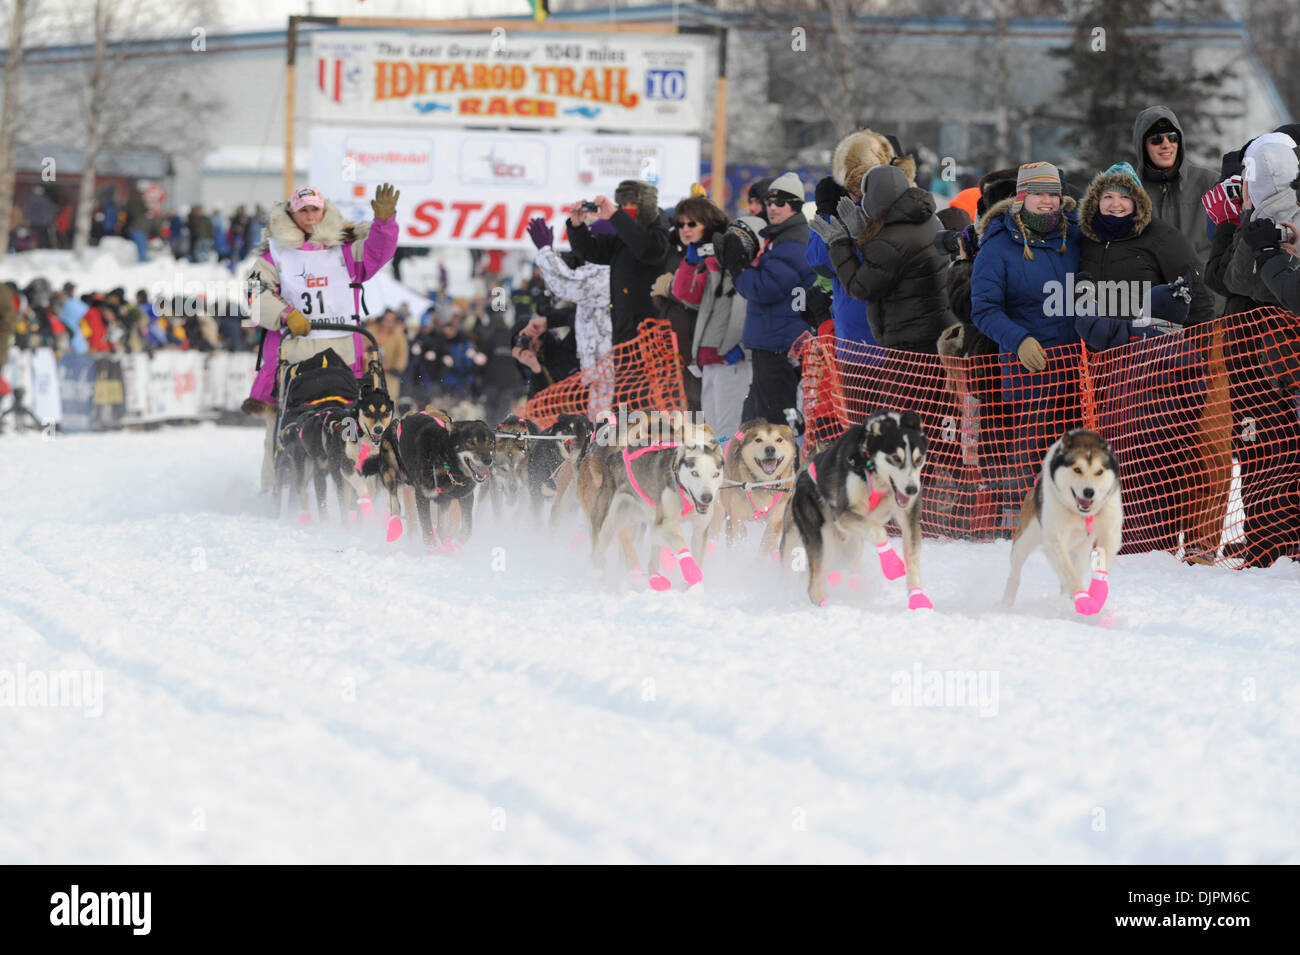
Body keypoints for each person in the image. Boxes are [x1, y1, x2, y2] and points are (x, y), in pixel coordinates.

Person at [242, 182, 400, 491]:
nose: (310, 215)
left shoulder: (345, 248)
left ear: (324, 211)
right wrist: (287, 315)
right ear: (291, 212)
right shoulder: (274, 254)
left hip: (344, 351)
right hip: (294, 350)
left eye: (315, 209)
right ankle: (276, 486)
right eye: (303, 210)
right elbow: (253, 295)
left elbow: (378, 254)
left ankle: (366, 482)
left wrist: (384, 222)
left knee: (358, 419)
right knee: (280, 424)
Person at [971, 161, 1083, 527]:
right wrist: (1019, 341)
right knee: (1033, 453)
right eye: (1039, 194)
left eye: (1053, 193)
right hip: (1030, 370)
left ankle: (1072, 527)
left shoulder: (1078, 236)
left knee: (1077, 458)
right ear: (1022, 197)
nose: (1048, 201)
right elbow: (984, 309)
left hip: (1080, 370)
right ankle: (1023, 524)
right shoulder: (998, 245)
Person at [725, 171, 817, 424]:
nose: (772, 208)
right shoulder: (780, 239)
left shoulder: (792, 243)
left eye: (781, 202)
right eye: (769, 202)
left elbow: (763, 288)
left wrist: (738, 267)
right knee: (759, 417)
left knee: (774, 421)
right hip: (775, 340)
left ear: (796, 206)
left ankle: (784, 464)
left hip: (780, 343)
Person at [566, 180, 671, 352]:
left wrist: (616, 217)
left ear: (647, 205)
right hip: (624, 335)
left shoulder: (661, 231)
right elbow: (590, 251)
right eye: (623, 204)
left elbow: (648, 250)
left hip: (653, 339)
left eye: (633, 204)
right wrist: (577, 226)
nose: (627, 208)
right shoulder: (622, 238)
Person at [526, 216, 613, 418]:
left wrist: (545, 250)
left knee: (607, 434)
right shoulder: (599, 270)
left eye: (589, 239)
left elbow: (567, 283)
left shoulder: (606, 272)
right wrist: (550, 320)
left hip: (610, 372)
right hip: (597, 370)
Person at [1131, 106, 1217, 267]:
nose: (1166, 144)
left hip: (1204, 287)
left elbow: (1230, 244)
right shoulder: (1129, 192)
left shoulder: (1210, 183)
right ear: (1143, 145)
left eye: (1172, 137)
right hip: (1151, 289)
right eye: (1156, 139)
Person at [510, 315, 579, 399]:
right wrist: (536, 370)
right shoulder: (526, 375)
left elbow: (584, 319)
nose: (528, 343)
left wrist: (549, 322)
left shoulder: (565, 350)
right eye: (521, 341)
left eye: (528, 337)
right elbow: (537, 408)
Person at [368, 309, 409, 401]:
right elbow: (363, 345)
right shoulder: (372, 330)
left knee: (389, 399)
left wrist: (397, 368)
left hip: (389, 373)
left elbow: (402, 353)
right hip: (371, 372)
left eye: (391, 320)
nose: (388, 323)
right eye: (386, 319)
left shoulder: (398, 335)